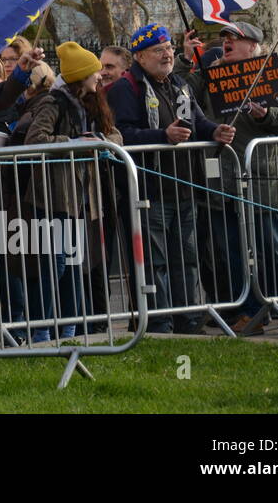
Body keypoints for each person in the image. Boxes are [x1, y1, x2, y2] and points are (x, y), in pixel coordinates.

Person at [105, 23, 235, 334]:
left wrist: (215, 131)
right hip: (150, 190)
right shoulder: (126, 88)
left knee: (187, 259)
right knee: (156, 261)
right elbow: (122, 134)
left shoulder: (179, 84)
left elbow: (197, 120)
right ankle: (160, 323)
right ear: (140, 56)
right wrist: (162, 135)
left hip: (184, 187)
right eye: (158, 50)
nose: (167, 54)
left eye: (169, 49)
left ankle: (188, 320)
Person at [182, 22, 278, 334]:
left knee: (271, 246)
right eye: (224, 38)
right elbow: (181, 97)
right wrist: (188, 62)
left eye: (234, 39)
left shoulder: (271, 76)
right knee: (230, 250)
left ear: (253, 46)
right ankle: (249, 312)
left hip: (263, 178)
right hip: (221, 181)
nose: (226, 43)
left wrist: (266, 115)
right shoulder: (208, 77)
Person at [23, 42, 124, 341]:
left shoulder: (93, 101)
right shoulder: (53, 102)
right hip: (54, 198)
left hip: (82, 199)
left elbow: (114, 134)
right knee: (54, 267)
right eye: (95, 72)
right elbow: (35, 140)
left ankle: (69, 331)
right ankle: (42, 332)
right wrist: (73, 142)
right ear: (82, 75)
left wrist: (102, 140)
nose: (100, 77)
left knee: (74, 265)